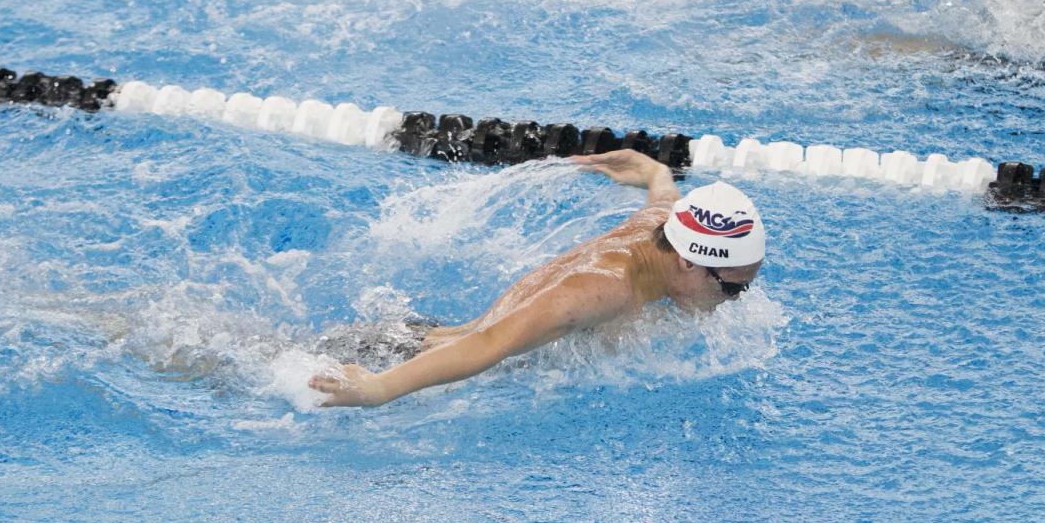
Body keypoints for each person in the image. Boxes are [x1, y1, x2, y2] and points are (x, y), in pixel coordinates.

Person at [308, 149, 766, 407]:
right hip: (410, 361)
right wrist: (380, 387)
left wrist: (655, 171)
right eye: (731, 287)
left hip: (424, 339)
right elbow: (489, 344)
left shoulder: (661, 228)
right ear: (688, 262)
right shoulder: (602, 288)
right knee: (275, 369)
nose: (736, 299)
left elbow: (664, 199)